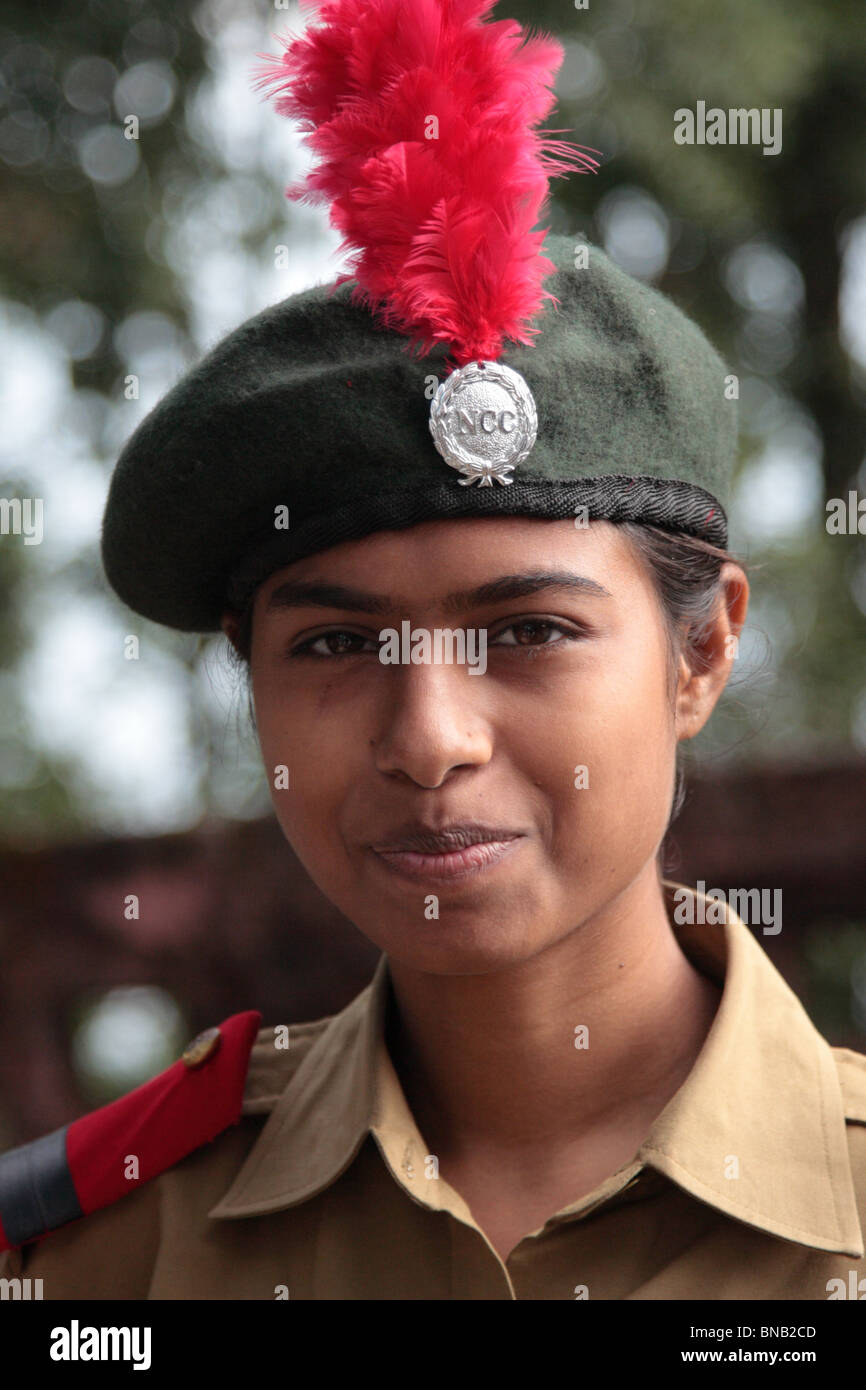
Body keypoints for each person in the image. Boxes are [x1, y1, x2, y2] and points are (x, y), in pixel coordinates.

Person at [1, 0, 864, 1301]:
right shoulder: (95, 1260)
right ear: (248, 676)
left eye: (527, 629)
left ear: (701, 652)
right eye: (337, 640)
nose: (427, 739)